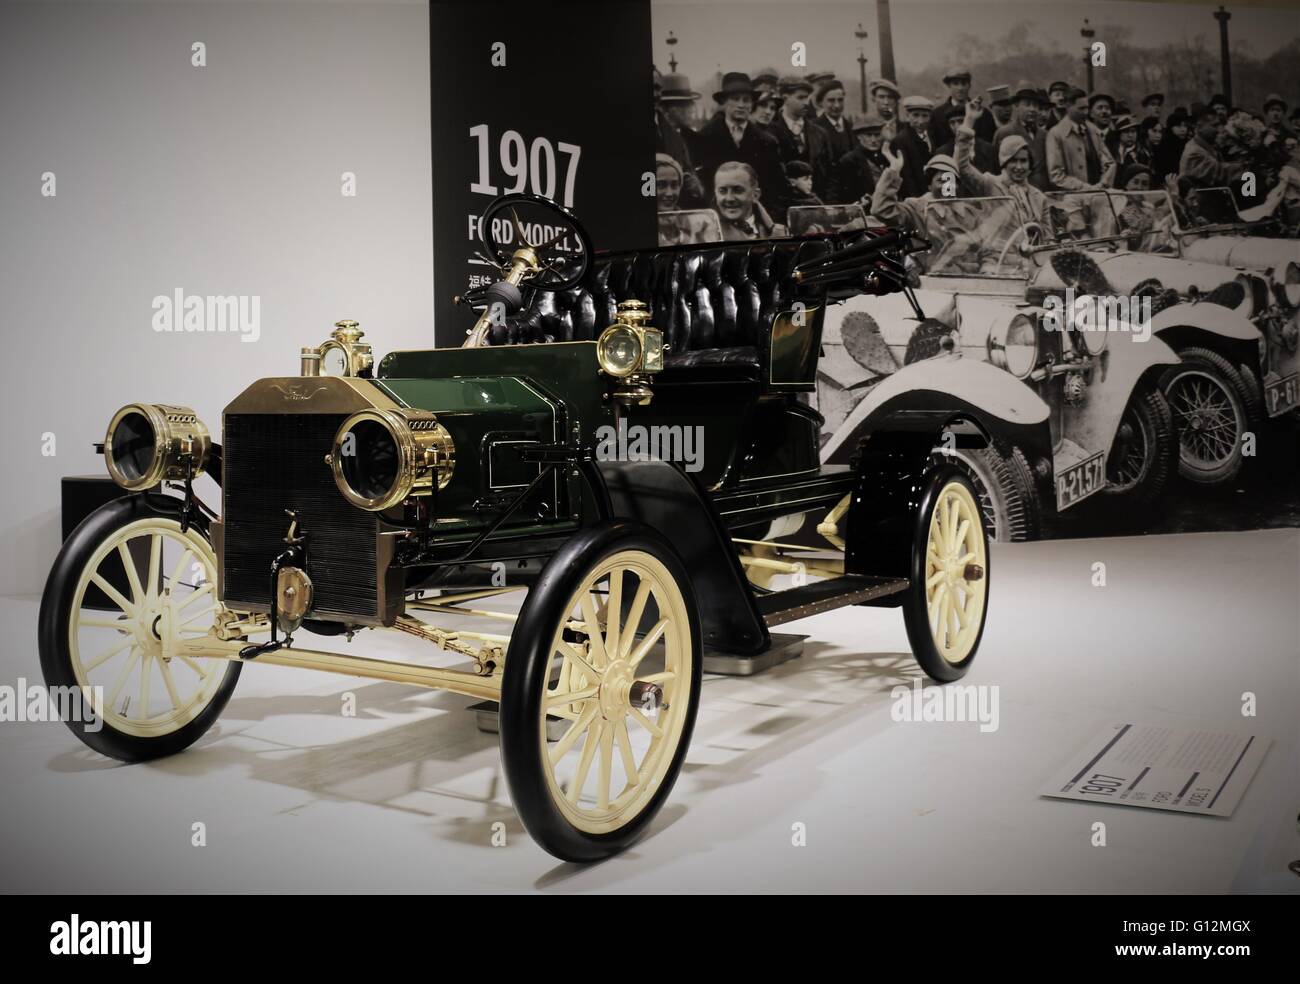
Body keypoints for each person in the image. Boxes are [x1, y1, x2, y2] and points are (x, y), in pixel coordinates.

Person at [694, 73, 786, 220]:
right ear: (724, 102)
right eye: (735, 99)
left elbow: (776, 187)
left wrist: (769, 221)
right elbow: (703, 186)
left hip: (757, 218)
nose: (741, 105)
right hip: (718, 218)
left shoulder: (767, 141)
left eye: (746, 100)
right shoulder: (704, 137)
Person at [769, 75, 834, 207]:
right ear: (785, 98)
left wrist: (827, 206)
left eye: (807, 98)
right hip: (783, 207)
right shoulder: (770, 132)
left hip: (816, 205)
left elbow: (830, 174)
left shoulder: (820, 134)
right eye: (801, 97)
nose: (806, 103)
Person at [871, 147, 962, 237]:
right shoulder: (915, 208)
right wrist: (893, 171)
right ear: (929, 185)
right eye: (941, 181)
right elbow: (881, 209)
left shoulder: (965, 210)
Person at [1047, 87, 1116, 189]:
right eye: (1081, 108)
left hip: (1098, 195)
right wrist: (1084, 188)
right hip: (1071, 198)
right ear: (1068, 107)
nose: (1085, 112)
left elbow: (1109, 163)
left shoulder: (1092, 130)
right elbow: (1056, 175)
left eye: (1087, 108)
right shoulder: (1056, 134)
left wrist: (1103, 183)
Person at [655, 73, 706, 208]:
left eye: (690, 104)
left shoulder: (692, 138)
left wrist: (696, 185)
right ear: (666, 109)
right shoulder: (662, 135)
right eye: (684, 104)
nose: (691, 110)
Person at [1179, 102, 1247, 190]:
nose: (1218, 130)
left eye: (1218, 125)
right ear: (1199, 126)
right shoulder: (1194, 152)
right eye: (1214, 125)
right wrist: (1246, 166)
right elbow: (1219, 174)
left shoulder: (1208, 145)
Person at [712, 161, 783, 240]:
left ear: (755, 195)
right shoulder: (708, 234)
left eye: (738, 190)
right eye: (722, 191)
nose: (729, 198)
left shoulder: (778, 231)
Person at [929, 67, 995, 148]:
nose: (960, 88)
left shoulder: (983, 113)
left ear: (969, 86)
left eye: (964, 84)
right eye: (956, 84)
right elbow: (935, 146)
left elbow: (989, 144)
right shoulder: (937, 115)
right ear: (949, 86)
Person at [831, 115, 889, 204]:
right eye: (868, 135)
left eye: (877, 135)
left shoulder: (886, 157)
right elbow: (844, 195)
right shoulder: (849, 161)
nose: (873, 140)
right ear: (859, 136)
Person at [894, 95, 937, 199]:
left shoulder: (932, 136)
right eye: (915, 115)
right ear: (907, 116)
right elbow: (906, 177)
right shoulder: (901, 140)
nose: (920, 121)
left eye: (925, 116)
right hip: (914, 199)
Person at [811, 79, 855, 160]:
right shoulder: (814, 127)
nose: (837, 105)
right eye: (831, 100)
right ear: (821, 102)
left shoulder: (851, 126)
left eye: (840, 100)